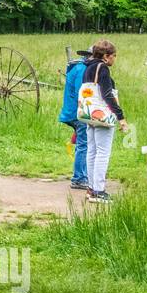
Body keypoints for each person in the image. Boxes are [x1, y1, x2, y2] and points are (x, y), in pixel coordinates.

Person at [80, 39, 128, 204]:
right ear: (106, 56)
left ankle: (91, 188)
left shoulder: (88, 68)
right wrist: (120, 117)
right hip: (102, 116)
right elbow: (108, 94)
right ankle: (99, 191)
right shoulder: (103, 69)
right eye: (114, 56)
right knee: (102, 152)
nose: (115, 59)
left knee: (92, 151)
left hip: (89, 114)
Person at [58, 48, 92, 190]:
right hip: (77, 112)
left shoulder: (79, 67)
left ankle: (83, 175)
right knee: (83, 145)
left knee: (83, 143)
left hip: (73, 112)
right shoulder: (83, 70)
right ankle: (79, 178)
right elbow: (82, 92)